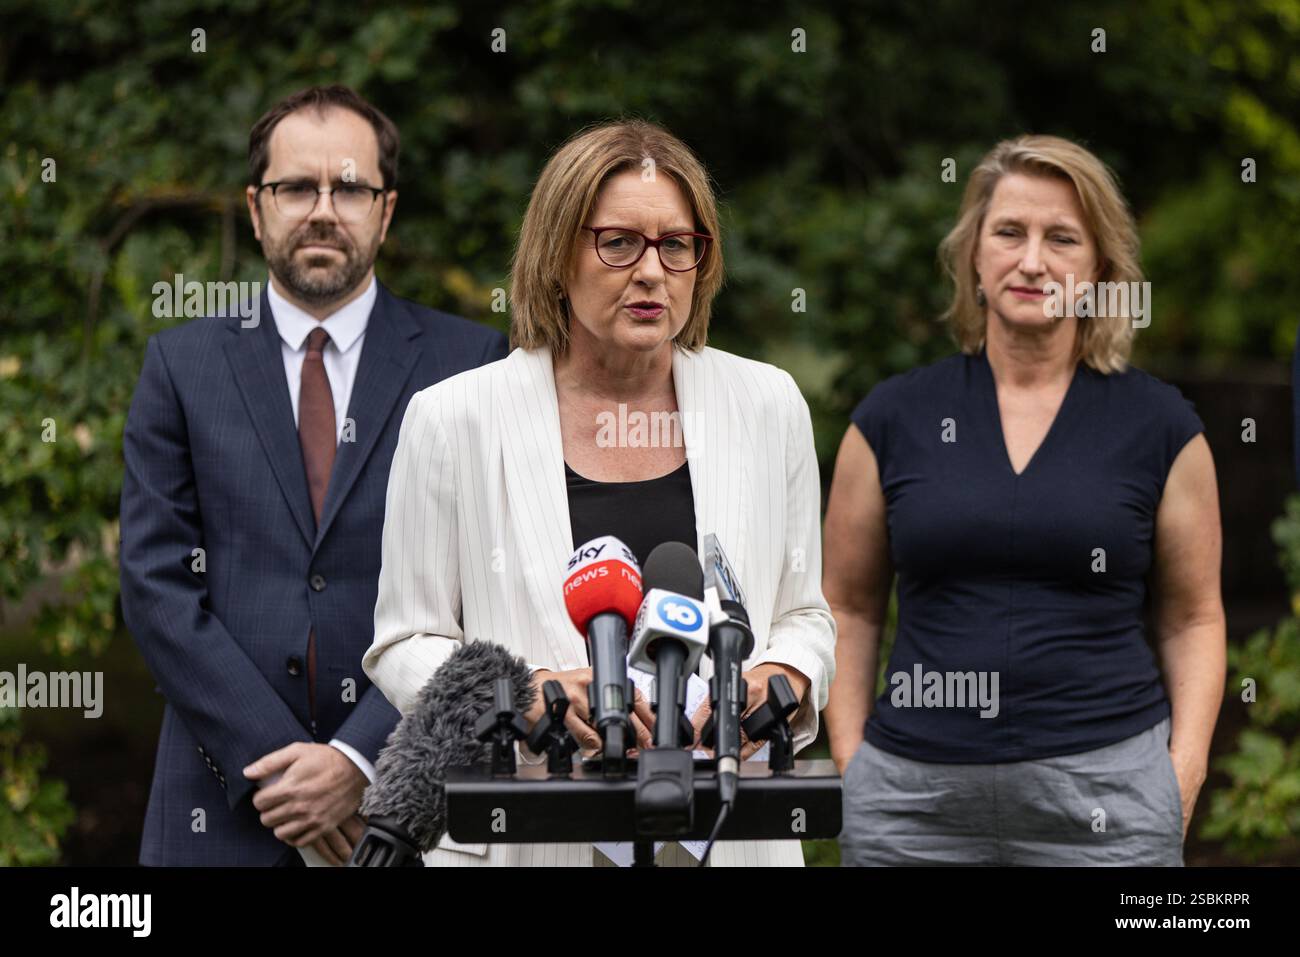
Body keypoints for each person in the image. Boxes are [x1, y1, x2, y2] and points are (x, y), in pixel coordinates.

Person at [363, 119, 836, 867]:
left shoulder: (768, 404)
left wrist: (787, 676)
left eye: (677, 244)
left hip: (724, 831)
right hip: (529, 834)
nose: (651, 271)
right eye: (618, 242)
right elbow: (404, 644)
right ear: (557, 255)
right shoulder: (453, 418)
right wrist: (524, 693)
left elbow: (805, 614)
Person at [120, 85, 508, 866]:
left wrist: (359, 759)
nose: (323, 210)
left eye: (350, 187)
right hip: (221, 807)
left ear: (386, 211)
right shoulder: (181, 365)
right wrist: (277, 762)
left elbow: (491, 587)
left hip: (409, 811)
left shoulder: (470, 365)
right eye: (297, 187)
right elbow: (154, 585)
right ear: (257, 208)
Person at [823, 135, 1225, 866]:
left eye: (1061, 238)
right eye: (1010, 231)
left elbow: (1194, 616)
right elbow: (847, 606)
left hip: (1107, 801)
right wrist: (853, 763)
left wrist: (1182, 774)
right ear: (974, 254)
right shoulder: (891, 419)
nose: (1032, 260)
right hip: (912, 806)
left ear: (1097, 267)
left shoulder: (1162, 428)